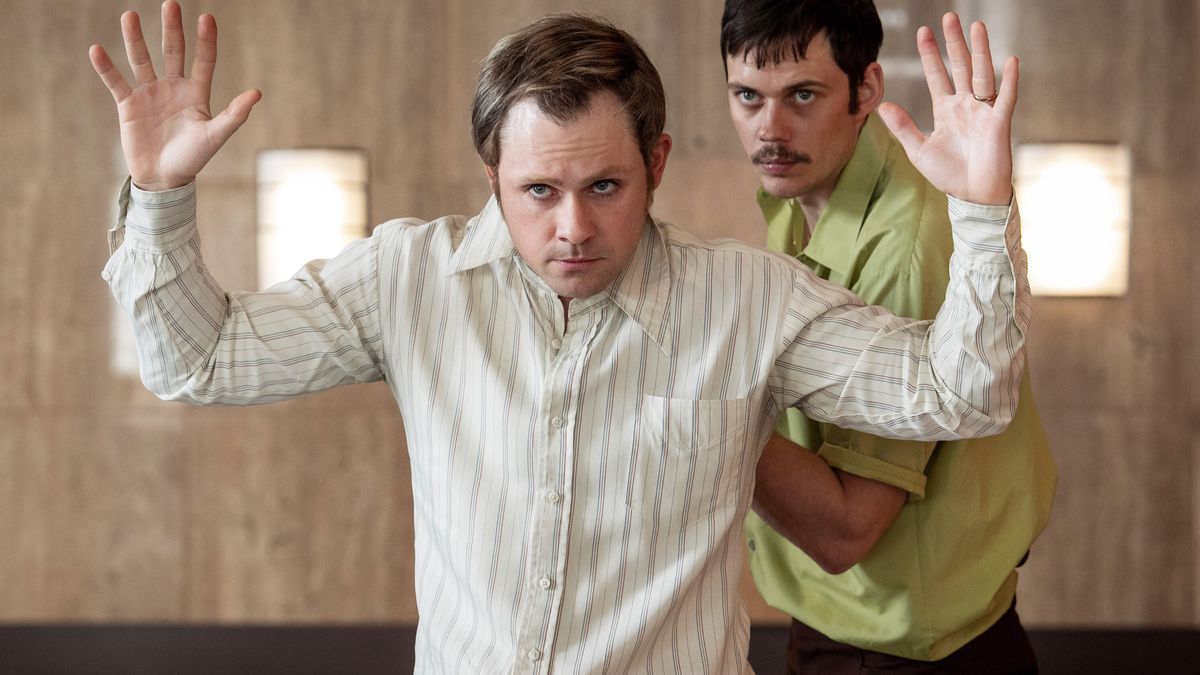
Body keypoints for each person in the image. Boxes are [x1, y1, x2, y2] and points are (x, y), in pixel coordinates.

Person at [91, 2, 1030, 672]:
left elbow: (965, 394)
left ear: (657, 163)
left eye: (604, 187)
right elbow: (198, 361)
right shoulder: (408, 278)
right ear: (493, 176)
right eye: (539, 191)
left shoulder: (749, 298)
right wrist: (161, 198)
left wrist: (982, 212)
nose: (573, 228)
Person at [721, 1, 1057, 672]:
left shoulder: (904, 246)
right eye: (748, 96)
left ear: (866, 89)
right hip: (848, 624)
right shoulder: (802, 191)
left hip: (905, 651)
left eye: (803, 95)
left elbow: (847, 530)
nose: (769, 129)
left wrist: (704, 401)